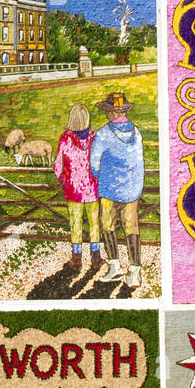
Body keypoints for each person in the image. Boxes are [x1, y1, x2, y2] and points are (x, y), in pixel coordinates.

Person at [89, 91, 144, 290]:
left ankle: (115, 266)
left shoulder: (103, 133)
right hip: (132, 188)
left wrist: (102, 176)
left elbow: (94, 164)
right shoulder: (136, 132)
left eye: (107, 111)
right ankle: (135, 270)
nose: (106, 115)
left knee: (108, 225)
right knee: (132, 227)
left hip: (110, 188)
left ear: (111, 113)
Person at [53, 103, 100, 274]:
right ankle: (95, 256)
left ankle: (77, 258)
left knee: (75, 223)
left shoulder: (65, 139)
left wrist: (63, 180)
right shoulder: (94, 138)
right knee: (95, 222)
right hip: (92, 188)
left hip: (73, 190)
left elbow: (58, 164)